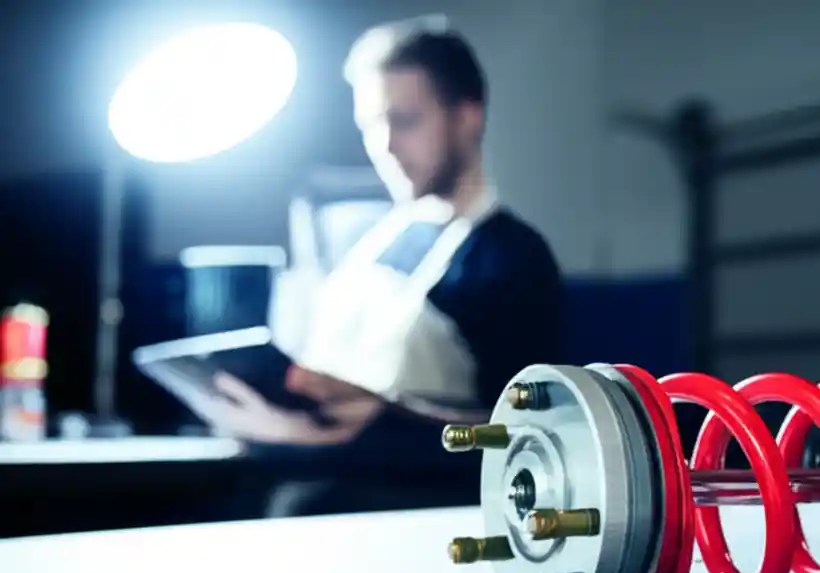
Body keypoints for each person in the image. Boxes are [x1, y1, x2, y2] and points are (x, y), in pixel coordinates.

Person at [197, 16, 563, 461]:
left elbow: (529, 430)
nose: (385, 145)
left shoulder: (513, 259)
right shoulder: (370, 242)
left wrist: (384, 419)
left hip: (407, 505)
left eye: (404, 120)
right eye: (370, 125)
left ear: (468, 116)